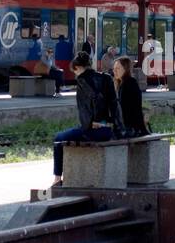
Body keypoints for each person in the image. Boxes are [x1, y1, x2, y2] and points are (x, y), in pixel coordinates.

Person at [51, 52, 124, 185]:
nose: (75, 75)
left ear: (78, 67)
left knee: (58, 138)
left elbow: (85, 115)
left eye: (74, 71)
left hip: (94, 131)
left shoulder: (82, 81)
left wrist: (92, 124)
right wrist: (114, 126)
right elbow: (115, 105)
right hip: (109, 130)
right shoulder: (106, 78)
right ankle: (57, 178)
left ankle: (57, 178)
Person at [113, 56, 149, 137]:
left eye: (118, 68)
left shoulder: (130, 83)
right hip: (128, 126)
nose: (114, 71)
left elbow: (129, 110)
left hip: (132, 128)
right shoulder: (122, 84)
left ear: (125, 69)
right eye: (114, 68)